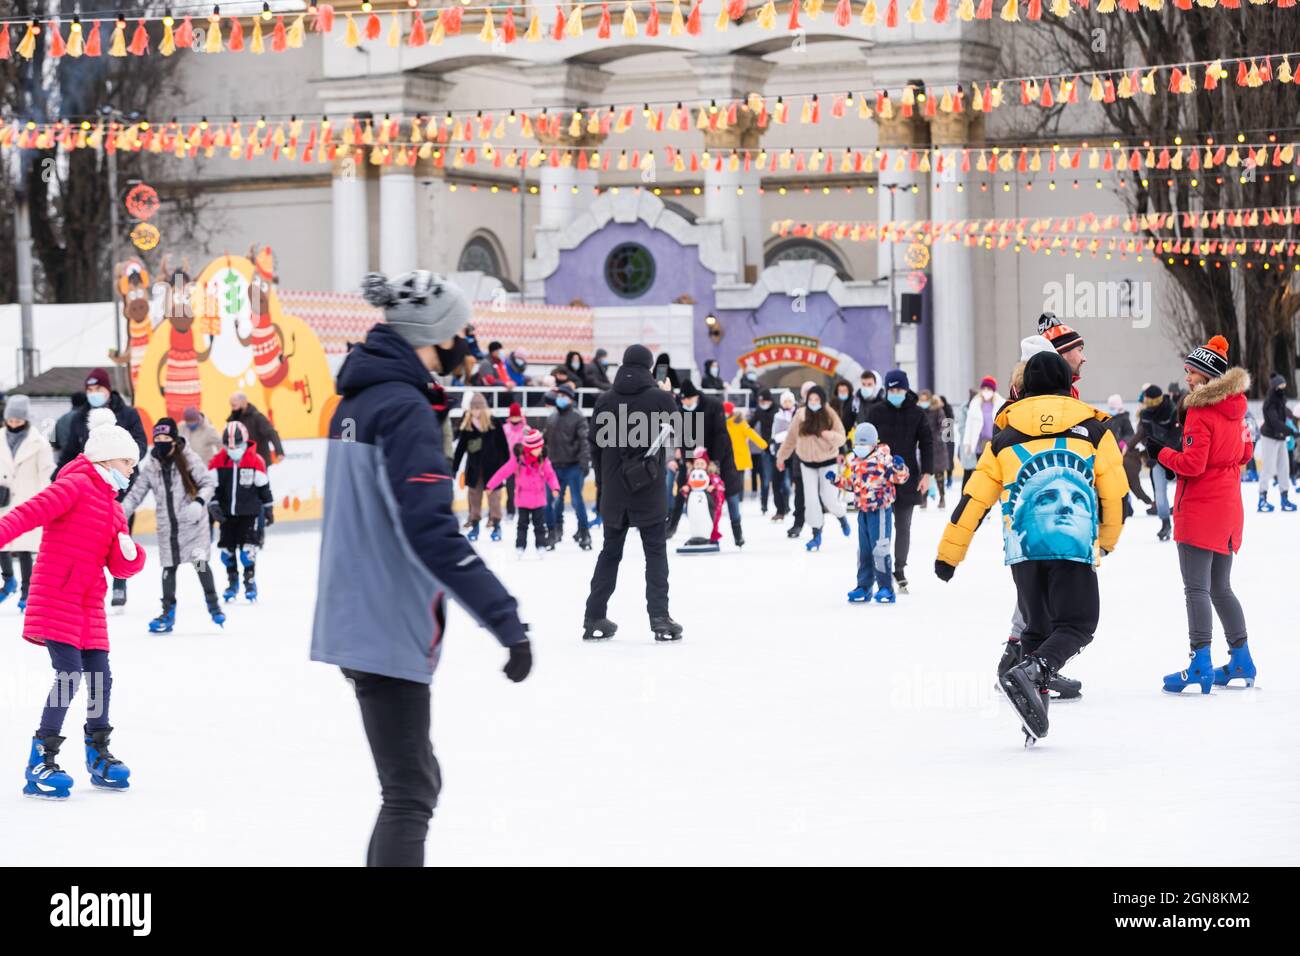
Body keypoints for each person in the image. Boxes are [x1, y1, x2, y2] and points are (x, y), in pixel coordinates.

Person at [312, 270, 530, 866]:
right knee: (410, 791)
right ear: (432, 329)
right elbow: (430, 529)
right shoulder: (404, 408)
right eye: (461, 327)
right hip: (384, 619)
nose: (468, 339)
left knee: (414, 782)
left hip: (358, 613)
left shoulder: (356, 400)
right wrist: (505, 620)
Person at [935, 351, 1126, 743]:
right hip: (1072, 544)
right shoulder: (1093, 429)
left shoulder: (1004, 438)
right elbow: (1116, 496)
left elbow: (972, 500)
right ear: (1065, 384)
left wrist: (949, 554)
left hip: (1022, 549)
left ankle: (1033, 718)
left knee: (1037, 630)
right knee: (1078, 623)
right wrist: (1105, 541)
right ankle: (1033, 673)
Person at [0, 407, 147, 797]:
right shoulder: (75, 486)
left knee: (101, 677)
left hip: (88, 605)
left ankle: (98, 754)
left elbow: (118, 566)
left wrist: (132, 555)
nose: (131, 469)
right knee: (69, 675)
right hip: (57, 596)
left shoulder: (115, 508)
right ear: (103, 458)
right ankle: (40, 761)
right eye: (126, 461)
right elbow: (28, 513)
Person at [1152, 337, 1256, 693]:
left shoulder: (1200, 411)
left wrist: (1161, 453)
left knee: (1196, 587)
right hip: (1228, 507)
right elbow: (1245, 453)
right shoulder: (1237, 408)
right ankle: (1241, 659)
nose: (1187, 377)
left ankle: (1200, 664)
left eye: (1191, 371)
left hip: (1199, 509)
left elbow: (1192, 465)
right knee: (1220, 587)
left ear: (1207, 375)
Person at [583, 344, 682, 642]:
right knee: (655, 552)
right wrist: (669, 398)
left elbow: (595, 446)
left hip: (614, 491)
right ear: (650, 367)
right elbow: (682, 434)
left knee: (610, 552)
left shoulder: (605, 400)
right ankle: (660, 619)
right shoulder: (660, 398)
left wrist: (603, 485)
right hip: (648, 488)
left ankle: (594, 616)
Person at [55, 368, 148, 608]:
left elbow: (140, 444)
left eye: (99, 389)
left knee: (120, 534)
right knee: (89, 539)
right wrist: (58, 476)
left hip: (121, 484)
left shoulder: (127, 414)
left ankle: (119, 583)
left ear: (108, 389)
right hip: (89, 487)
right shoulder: (79, 417)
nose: (94, 394)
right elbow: (69, 452)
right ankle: (84, 586)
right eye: (90, 390)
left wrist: (123, 460)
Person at [122, 418, 224, 632]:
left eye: (166, 438)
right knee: (168, 569)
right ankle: (168, 613)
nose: (161, 442)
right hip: (168, 528)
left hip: (193, 524)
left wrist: (199, 502)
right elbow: (136, 494)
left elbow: (208, 483)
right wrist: (121, 512)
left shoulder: (189, 458)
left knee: (201, 565)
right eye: (157, 438)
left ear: (175, 440)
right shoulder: (152, 466)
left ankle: (214, 606)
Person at [863, 370, 933, 592]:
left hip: (908, 477)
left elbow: (927, 443)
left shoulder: (917, 414)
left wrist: (927, 474)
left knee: (903, 526)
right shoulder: (875, 412)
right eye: (891, 390)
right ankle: (880, 568)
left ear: (906, 389)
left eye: (899, 389)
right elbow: (865, 444)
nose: (895, 393)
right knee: (879, 528)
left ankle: (900, 569)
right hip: (879, 479)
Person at [840, 422, 909, 604]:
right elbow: (853, 485)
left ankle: (886, 587)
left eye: (864, 444)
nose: (860, 448)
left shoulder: (884, 460)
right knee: (863, 551)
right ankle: (864, 586)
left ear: (873, 444)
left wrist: (900, 467)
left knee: (880, 549)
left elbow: (900, 478)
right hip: (862, 511)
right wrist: (837, 481)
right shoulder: (855, 461)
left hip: (879, 511)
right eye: (857, 444)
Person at [672, 380, 745, 547]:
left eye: (687, 400)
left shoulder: (713, 405)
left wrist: (714, 462)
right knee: (690, 491)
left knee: (730, 493)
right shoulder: (681, 411)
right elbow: (683, 438)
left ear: (695, 397)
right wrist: (690, 461)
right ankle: (689, 529)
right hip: (696, 461)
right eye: (682, 401)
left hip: (720, 458)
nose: (685, 403)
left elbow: (720, 435)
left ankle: (737, 531)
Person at [775, 385, 848, 552]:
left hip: (828, 461)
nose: (813, 402)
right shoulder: (800, 415)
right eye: (811, 399)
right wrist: (781, 457)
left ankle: (841, 516)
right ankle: (816, 534)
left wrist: (831, 436)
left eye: (817, 399)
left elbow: (841, 438)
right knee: (811, 500)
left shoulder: (830, 414)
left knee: (829, 498)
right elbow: (791, 439)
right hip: (806, 463)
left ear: (822, 401)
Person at [207, 421, 274, 603]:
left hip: (249, 513)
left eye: (236, 445)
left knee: (247, 551)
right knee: (227, 552)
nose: (232, 449)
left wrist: (268, 509)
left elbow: (264, 488)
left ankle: (250, 581)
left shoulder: (255, 460)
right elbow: (211, 487)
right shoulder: (218, 460)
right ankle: (232, 582)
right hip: (226, 514)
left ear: (244, 442)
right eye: (229, 446)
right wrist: (213, 505)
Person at [0, 394, 53, 609]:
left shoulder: (39, 443)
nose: (14, 424)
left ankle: (27, 591)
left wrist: (45, 503)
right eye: (10, 420)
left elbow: (46, 474)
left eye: (18, 420)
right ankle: (8, 580)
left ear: (25, 419)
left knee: (24, 549)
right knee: (2, 542)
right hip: (3, 500)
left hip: (27, 502)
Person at [487, 427, 558, 557]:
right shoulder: (518, 460)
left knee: (539, 526)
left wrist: (555, 487)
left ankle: (541, 545)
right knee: (522, 525)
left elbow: (551, 475)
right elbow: (503, 472)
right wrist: (491, 485)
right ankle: (520, 546)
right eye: (537, 448)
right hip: (523, 500)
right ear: (530, 449)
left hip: (538, 500)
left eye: (541, 447)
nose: (540, 450)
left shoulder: (543, 460)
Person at [453, 392, 509, 542]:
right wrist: (454, 468)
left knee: (495, 500)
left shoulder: (494, 423)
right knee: (474, 499)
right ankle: (475, 526)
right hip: (474, 470)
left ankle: (496, 525)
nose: (476, 411)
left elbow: (503, 447)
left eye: (478, 408)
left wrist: (506, 469)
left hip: (493, 469)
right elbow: (460, 449)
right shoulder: (468, 426)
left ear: (484, 408)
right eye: (473, 408)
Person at [545, 382, 592, 549]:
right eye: (559, 396)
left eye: (564, 396)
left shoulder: (578, 417)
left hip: (573, 466)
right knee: (552, 501)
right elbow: (546, 442)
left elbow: (584, 442)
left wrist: (584, 464)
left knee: (577, 500)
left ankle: (584, 532)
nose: (560, 399)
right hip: (555, 466)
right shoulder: (552, 418)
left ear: (571, 399)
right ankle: (553, 530)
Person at [1136, 384, 1178, 539]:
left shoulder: (1172, 410)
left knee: (1186, 491)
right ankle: (1165, 523)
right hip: (1158, 457)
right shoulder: (1145, 414)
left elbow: (1175, 437)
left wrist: (1162, 455)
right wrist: (1151, 457)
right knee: (1160, 493)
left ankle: (1188, 521)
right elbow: (1146, 436)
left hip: (1177, 455)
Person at [1257, 372, 1297, 512]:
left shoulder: (1280, 399)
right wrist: (1292, 432)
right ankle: (1262, 498)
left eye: (1284, 385)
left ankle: (1284, 498)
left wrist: (1294, 422)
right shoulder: (1269, 403)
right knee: (1267, 468)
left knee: (1284, 468)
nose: (1283, 387)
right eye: (1281, 385)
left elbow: (1286, 412)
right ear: (1275, 387)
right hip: (1269, 436)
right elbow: (1275, 422)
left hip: (1280, 438)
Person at [959, 376, 1003, 492]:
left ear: (994, 390)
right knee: (979, 470)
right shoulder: (975, 403)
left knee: (993, 471)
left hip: (994, 443)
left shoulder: (1000, 403)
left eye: (989, 389)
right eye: (985, 388)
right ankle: (974, 494)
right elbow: (969, 425)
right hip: (979, 444)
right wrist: (967, 443)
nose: (986, 391)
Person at [724, 400, 767, 512]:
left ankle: (739, 503)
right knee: (729, 481)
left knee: (739, 481)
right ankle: (730, 502)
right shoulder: (722, 424)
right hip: (727, 457)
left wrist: (764, 445)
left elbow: (751, 434)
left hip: (740, 457)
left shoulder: (740, 423)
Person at [227, 391, 285, 465]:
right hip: (241, 460)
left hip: (259, 459)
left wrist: (279, 452)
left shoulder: (257, 417)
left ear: (244, 402)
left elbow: (272, 433)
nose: (232, 409)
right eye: (231, 406)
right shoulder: (233, 419)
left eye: (234, 405)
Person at [917, 389, 950, 509]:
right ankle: (923, 499)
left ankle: (942, 498)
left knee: (939, 474)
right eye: (922, 400)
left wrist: (938, 437)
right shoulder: (918, 411)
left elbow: (944, 425)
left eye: (926, 400)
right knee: (924, 474)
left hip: (937, 447)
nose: (924, 402)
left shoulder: (938, 410)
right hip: (923, 446)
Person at [749, 389, 779, 516]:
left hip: (778, 449)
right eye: (761, 401)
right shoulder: (759, 411)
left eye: (765, 401)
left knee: (780, 481)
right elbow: (750, 425)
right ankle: (764, 505)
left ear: (770, 401)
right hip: (765, 449)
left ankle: (783, 506)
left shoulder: (778, 411)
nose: (763, 403)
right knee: (765, 480)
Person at [769, 390, 796, 521]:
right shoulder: (777, 416)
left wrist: (787, 436)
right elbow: (775, 435)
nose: (787, 403)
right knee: (776, 481)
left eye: (789, 400)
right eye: (785, 401)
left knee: (796, 481)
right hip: (781, 452)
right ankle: (780, 509)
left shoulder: (797, 415)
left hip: (796, 452)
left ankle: (798, 509)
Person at [53, 392, 87, 459]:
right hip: (82, 461)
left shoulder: (61, 419)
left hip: (65, 461)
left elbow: (55, 444)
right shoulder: (86, 418)